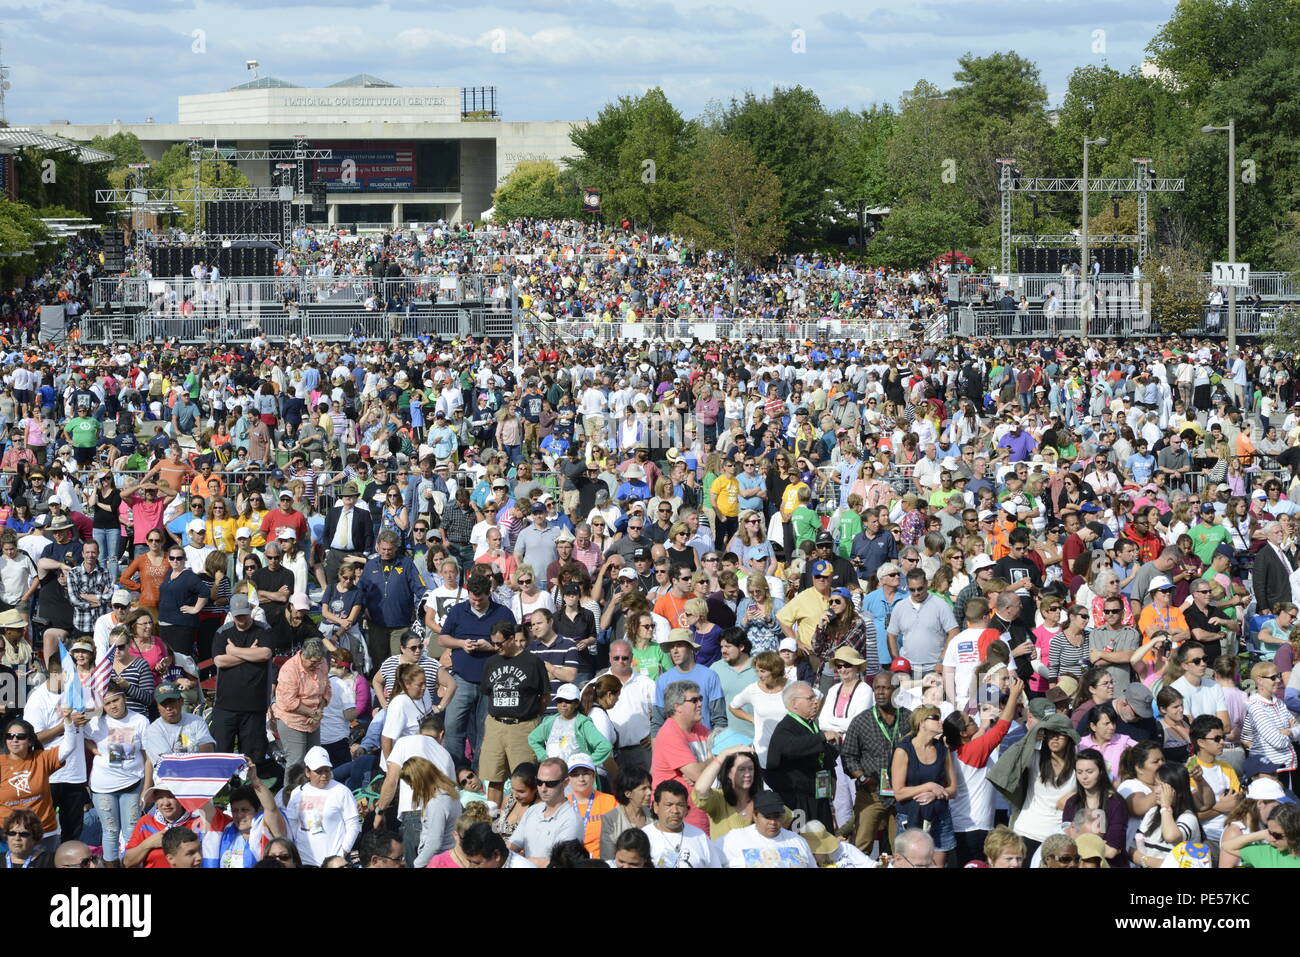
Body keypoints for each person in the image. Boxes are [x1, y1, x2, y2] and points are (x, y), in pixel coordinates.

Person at [944, 676, 1022, 865]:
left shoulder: (955, 751)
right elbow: (1003, 727)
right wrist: (1014, 695)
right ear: (962, 733)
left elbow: (975, 739)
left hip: (959, 825)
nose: (974, 720)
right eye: (970, 721)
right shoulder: (973, 751)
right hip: (975, 828)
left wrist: (984, 726)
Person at [988, 712, 1078, 864]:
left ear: (1069, 737)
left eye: (1060, 734)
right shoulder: (1034, 757)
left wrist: (1076, 796)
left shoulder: (1079, 764)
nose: (1054, 738)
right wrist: (1030, 737)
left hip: (1058, 839)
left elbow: (1096, 790)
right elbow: (1003, 767)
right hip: (1026, 831)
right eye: (1050, 733)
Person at [480, 620, 550, 806]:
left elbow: (545, 696)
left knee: (525, 779)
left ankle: (524, 822)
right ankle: (493, 824)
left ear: (512, 639)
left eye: (500, 643)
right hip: (496, 725)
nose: (496, 647)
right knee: (494, 777)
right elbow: (488, 692)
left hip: (523, 726)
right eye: (493, 643)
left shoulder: (533, 662)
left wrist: (531, 716)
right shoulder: (491, 663)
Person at [84, 688, 151, 867]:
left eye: (116, 700)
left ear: (124, 699)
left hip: (132, 784)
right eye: (107, 703)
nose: (113, 706)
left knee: (131, 830)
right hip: (103, 786)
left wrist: (147, 787)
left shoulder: (140, 721)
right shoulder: (96, 722)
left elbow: (148, 756)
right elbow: (80, 734)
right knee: (110, 831)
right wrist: (92, 748)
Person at [765, 680, 839, 831]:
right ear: (794, 704)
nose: (815, 702)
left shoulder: (810, 724)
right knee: (806, 844)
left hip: (819, 796)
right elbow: (790, 747)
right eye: (810, 698)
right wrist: (821, 737)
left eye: (815, 697)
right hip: (798, 801)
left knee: (824, 843)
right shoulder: (785, 728)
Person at [210, 594, 273, 765]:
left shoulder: (264, 629)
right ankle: (224, 788)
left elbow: (265, 653)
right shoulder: (222, 632)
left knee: (253, 757)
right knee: (222, 753)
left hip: (254, 706)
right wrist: (249, 653)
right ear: (231, 613)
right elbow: (220, 661)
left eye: (244, 614)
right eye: (237, 615)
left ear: (251, 611)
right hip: (225, 705)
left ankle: (251, 789)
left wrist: (234, 650)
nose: (241, 618)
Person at [650, 679, 713, 832]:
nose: (700, 704)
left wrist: (708, 765)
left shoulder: (700, 730)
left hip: (704, 811)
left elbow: (723, 760)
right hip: (681, 817)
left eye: (700, 699)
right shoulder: (670, 733)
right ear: (677, 707)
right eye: (694, 700)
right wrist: (713, 760)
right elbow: (698, 774)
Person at [283, 745, 362, 867]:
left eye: (327, 770)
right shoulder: (297, 793)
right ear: (307, 772)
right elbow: (291, 825)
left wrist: (341, 854)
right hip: (305, 862)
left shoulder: (342, 791)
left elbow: (353, 825)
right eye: (319, 771)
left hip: (334, 862)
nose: (324, 775)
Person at [507, 756, 582, 867]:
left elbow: (557, 864)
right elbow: (510, 847)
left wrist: (519, 860)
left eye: (550, 784)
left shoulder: (572, 820)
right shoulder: (532, 811)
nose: (543, 788)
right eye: (539, 782)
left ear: (565, 783)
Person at [715, 788, 816, 868]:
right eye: (767, 817)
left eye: (777, 816)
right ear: (755, 815)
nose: (772, 822)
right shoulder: (733, 839)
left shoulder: (798, 841)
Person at [273, 637, 331, 770]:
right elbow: (288, 701)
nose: (317, 665)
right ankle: (291, 791)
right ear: (304, 655)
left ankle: (312, 789)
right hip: (291, 720)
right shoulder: (290, 669)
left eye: (319, 661)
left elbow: (327, 690)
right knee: (296, 763)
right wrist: (312, 713)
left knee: (315, 759)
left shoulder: (322, 663)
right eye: (313, 662)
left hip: (314, 719)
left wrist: (318, 711)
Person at [1131, 763, 1204, 868]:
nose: (1156, 791)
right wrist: (1150, 861)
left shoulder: (1188, 818)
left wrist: (1165, 806)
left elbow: (1171, 837)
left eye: (1163, 787)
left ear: (1177, 791)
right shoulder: (1152, 812)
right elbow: (1131, 849)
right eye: (1155, 784)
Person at [400, 755, 462, 868]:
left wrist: (418, 864)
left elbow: (434, 842)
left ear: (419, 779)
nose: (412, 788)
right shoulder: (448, 794)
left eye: (411, 784)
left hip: (440, 861)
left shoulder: (437, 802)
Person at [641, 778, 719, 868]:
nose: (675, 811)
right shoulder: (644, 837)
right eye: (669, 805)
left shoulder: (700, 836)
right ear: (656, 806)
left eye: (680, 805)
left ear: (686, 808)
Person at [142, 681, 215, 765]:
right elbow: (167, 762)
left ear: (181, 701)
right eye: (163, 704)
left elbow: (208, 748)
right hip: (169, 776)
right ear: (157, 706)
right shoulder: (153, 729)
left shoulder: (197, 721)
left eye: (172, 702)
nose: (168, 707)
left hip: (196, 773)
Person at [1219, 801, 1300, 868]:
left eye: (1277, 835)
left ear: (1293, 831)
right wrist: (1263, 834)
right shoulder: (1266, 853)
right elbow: (1226, 846)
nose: (1272, 839)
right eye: (1270, 833)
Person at [596, 767, 652, 859]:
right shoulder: (610, 819)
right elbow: (608, 858)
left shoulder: (653, 816)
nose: (649, 792)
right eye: (644, 789)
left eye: (650, 787)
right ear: (628, 793)